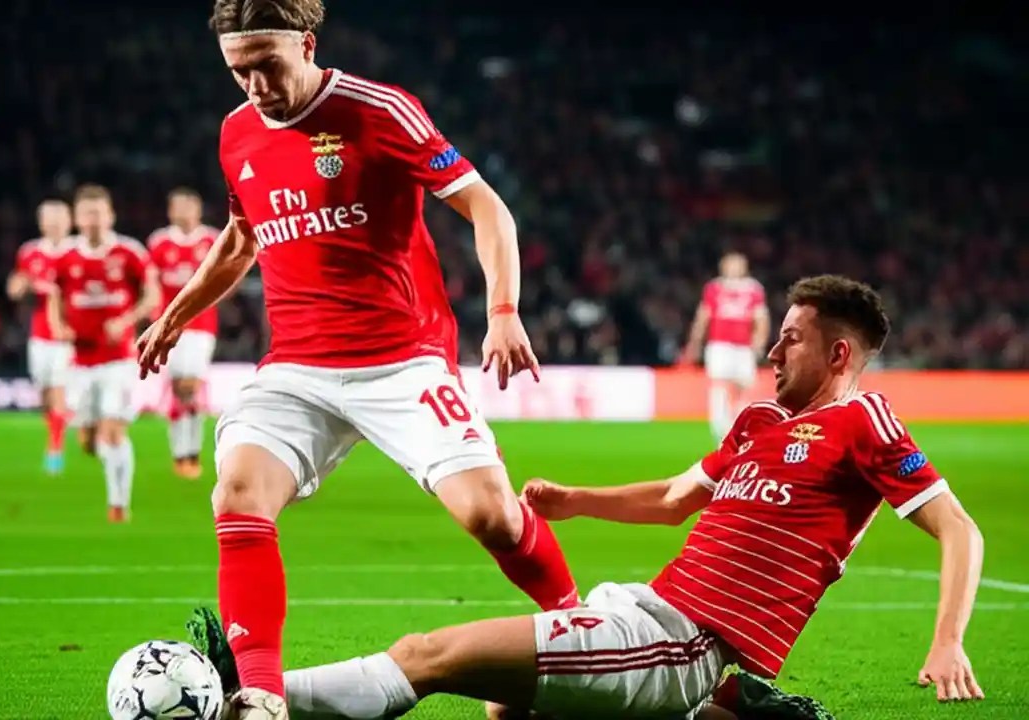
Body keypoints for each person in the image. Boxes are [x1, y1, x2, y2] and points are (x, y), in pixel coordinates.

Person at [207, 275, 981, 720]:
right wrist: (577, 499)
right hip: (645, 608)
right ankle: (730, 710)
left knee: (427, 656)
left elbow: (959, 530)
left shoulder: (863, 422)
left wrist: (945, 642)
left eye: (793, 338)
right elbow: (678, 498)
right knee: (505, 706)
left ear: (840, 353)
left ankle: (247, 697)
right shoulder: (757, 422)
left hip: (686, 643)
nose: (773, 349)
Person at [137, 1, 580, 715]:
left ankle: (579, 633)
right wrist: (175, 314)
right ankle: (260, 697)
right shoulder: (236, 134)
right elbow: (242, 236)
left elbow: (488, 207)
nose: (253, 86)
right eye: (237, 72)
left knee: (490, 516)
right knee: (238, 496)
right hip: (296, 369)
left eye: (266, 66)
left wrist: (503, 313)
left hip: (403, 361)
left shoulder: (379, 111)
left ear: (307, 45)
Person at [48, 185, 158, 522]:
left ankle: (118, 504)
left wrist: (125, 320)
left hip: (119, 359)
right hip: (80, 361)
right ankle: (109, 463)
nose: (93, 220)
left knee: (113, 429)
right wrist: (58, 326)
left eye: (99, 213)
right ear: (77, 218)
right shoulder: (66, 256)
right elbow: (55, 297)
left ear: (110, 215)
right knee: (88, 440)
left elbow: (152, 296)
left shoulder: (129, 252)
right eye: (87, 214)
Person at [148, 187, 222, 478]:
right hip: (169, 326)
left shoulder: (212, 239)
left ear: (198, 210)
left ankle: (192, 448)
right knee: (178, 390)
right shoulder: (159, 241)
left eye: (188, 207)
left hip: (202, 325)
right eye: (177, 207)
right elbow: (151, 284)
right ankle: (181, 451)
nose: (183, 212)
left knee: (191, 386)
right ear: (170, 211)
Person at [9, 198, 76, 474]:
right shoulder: (30, 252)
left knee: (58, 390)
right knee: (45, 392)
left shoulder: (77, 252)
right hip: (39, 334)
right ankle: (59, 429)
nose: (55, 224)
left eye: (60, 219)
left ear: (69, 221)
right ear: (41, 223)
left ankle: (55, 449)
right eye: (49, 219)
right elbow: (15, 288)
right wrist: (20, 286)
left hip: (68, 335)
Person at [681, 252, 769, 441]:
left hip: (743, 346)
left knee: (743, 387)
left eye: (738, 265)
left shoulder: (753, 289)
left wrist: (759, 341)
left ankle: (739, 424)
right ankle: (719, 428)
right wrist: (695, 341)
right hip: (719, 345)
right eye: (730, 265)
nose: (734, 268)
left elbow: (761, 317)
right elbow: (703, 315)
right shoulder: (714, 288)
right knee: (719, 385)